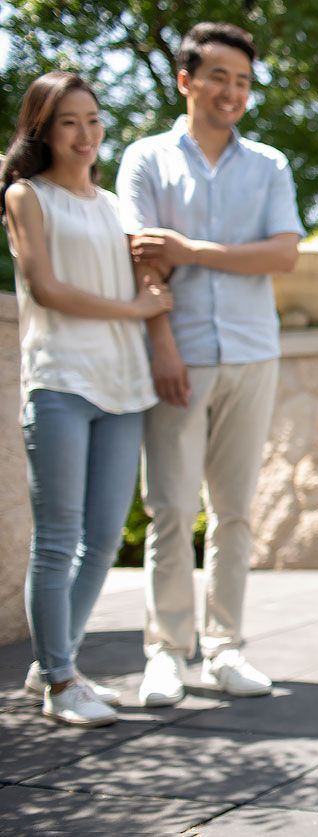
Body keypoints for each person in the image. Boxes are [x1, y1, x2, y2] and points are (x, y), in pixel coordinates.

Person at [116, 22, 304, 707]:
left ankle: (225, 648)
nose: (232, 91)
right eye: (220, 76)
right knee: (167, 506)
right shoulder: (145, 159)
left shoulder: (269, 165)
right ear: (185, 79)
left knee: (234, 512)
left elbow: (282, 254)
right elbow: (141, 260)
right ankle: (165, 652)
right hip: (180, 352)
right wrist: (162, 345)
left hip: (255, 350)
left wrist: (189, 248)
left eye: (244, 81)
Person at [2, 72, 173, 727]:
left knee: (102, 538)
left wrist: (155, 299)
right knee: (57, 540)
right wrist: (132, 306)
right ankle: (60, 677)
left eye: (93, 119)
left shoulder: (113, 207)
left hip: (123, 387)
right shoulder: (27, 197)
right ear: (42, 130)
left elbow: (151, 277)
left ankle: (56, 662)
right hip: (61, 383)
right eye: (69, 121)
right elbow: (44, 288)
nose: (85, 133)